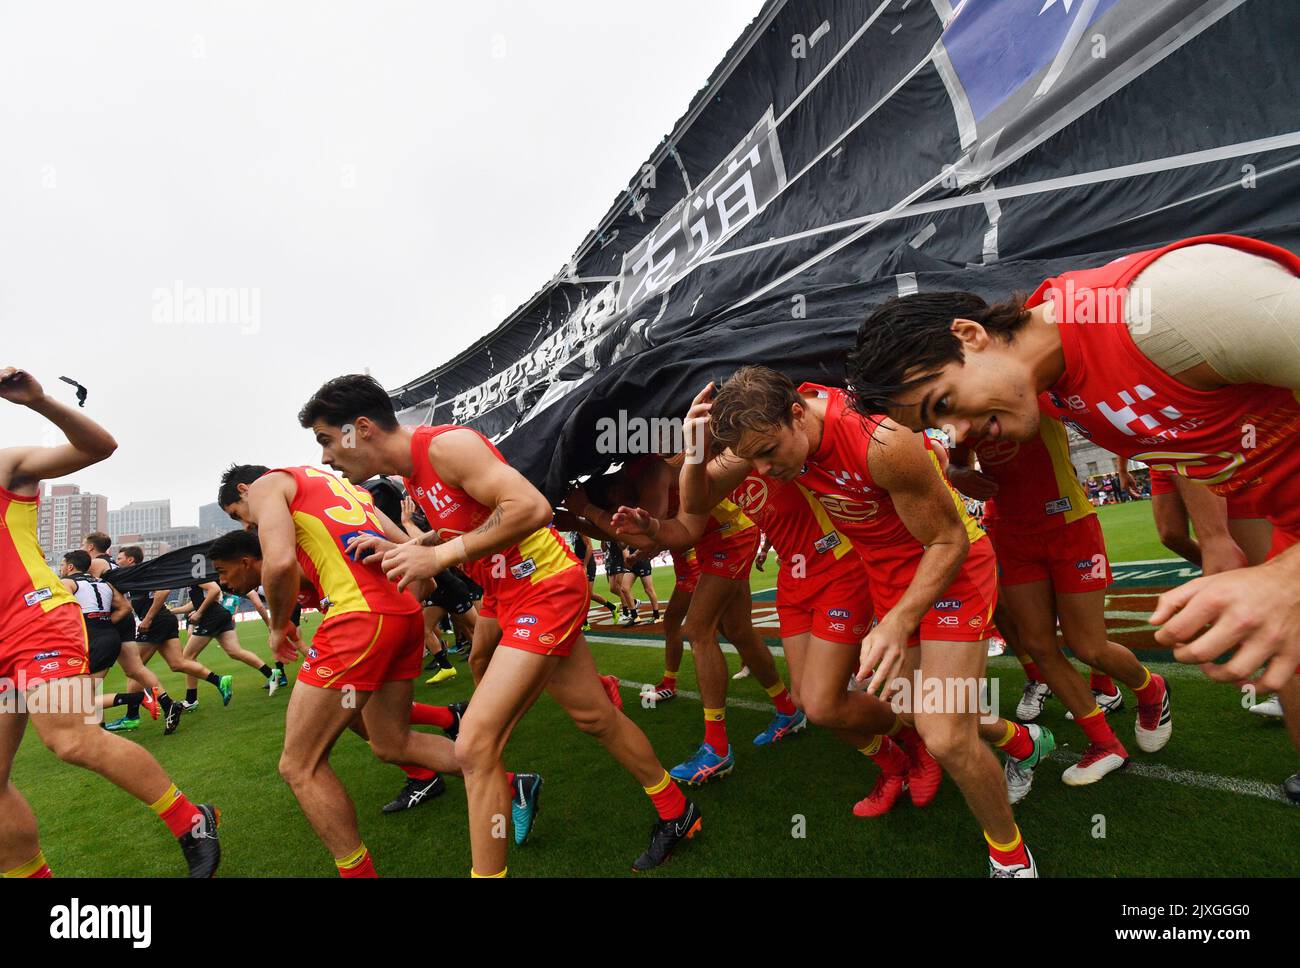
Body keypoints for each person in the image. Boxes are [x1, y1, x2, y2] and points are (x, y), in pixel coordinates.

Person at [843, 233, 1300, 797]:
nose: (955, 432)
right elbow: (1207, 437)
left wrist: (1284, 574)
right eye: (937, 427)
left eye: (944, 404)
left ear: (970, 334)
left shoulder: (1162, 303)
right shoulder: (1053, 386)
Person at [295, 373, 700, 875]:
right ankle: (677, 811)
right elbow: (467, 522)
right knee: (596, 717)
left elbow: (529, 507)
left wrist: (441, 553)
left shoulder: (446, 447)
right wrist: (415, 545)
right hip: (514, 595)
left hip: (546, 588)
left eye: (327, 441)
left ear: (361, 429)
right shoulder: (415, 476)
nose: (325, 458)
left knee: (474, 744)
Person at [702, 369, 1050, 876]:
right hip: (887, 582)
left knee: (944, 734)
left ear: (798, 413)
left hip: (950, 568)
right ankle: (1023, 742)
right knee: (916, 710)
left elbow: (947, 541)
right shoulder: (771, 428)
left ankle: (1010, 857)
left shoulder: (881, 440)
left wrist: (895, 621)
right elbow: (697, 497)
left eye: (769, 451)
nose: (763, 468)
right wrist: (694, 453)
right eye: (751, 457)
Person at [0, 366, 220, 877]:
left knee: (71, 737)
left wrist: (39, 401)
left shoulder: (5, 463)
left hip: (39, 621)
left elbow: (99, 446)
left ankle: (193, 821)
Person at [215, 465, 472, 877]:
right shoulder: (344, 488)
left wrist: (279, 626)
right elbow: (406, 546)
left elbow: (277, 563)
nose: (247, 522)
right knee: (390, 741)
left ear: (246, 488)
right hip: (402, 614)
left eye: (238, 512)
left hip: (359, 617)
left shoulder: (268, 486)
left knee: (299, 765)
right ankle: (511, 784)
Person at [949, 416, 1173, 787]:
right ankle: (1106, 745)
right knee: (1038, 644)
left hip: (1069, 525)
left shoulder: (1032, 384)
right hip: (1010, 533)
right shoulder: (958, 411)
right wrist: (960, 476)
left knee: (1088, 646)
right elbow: (955, 463)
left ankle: (1152, 689)